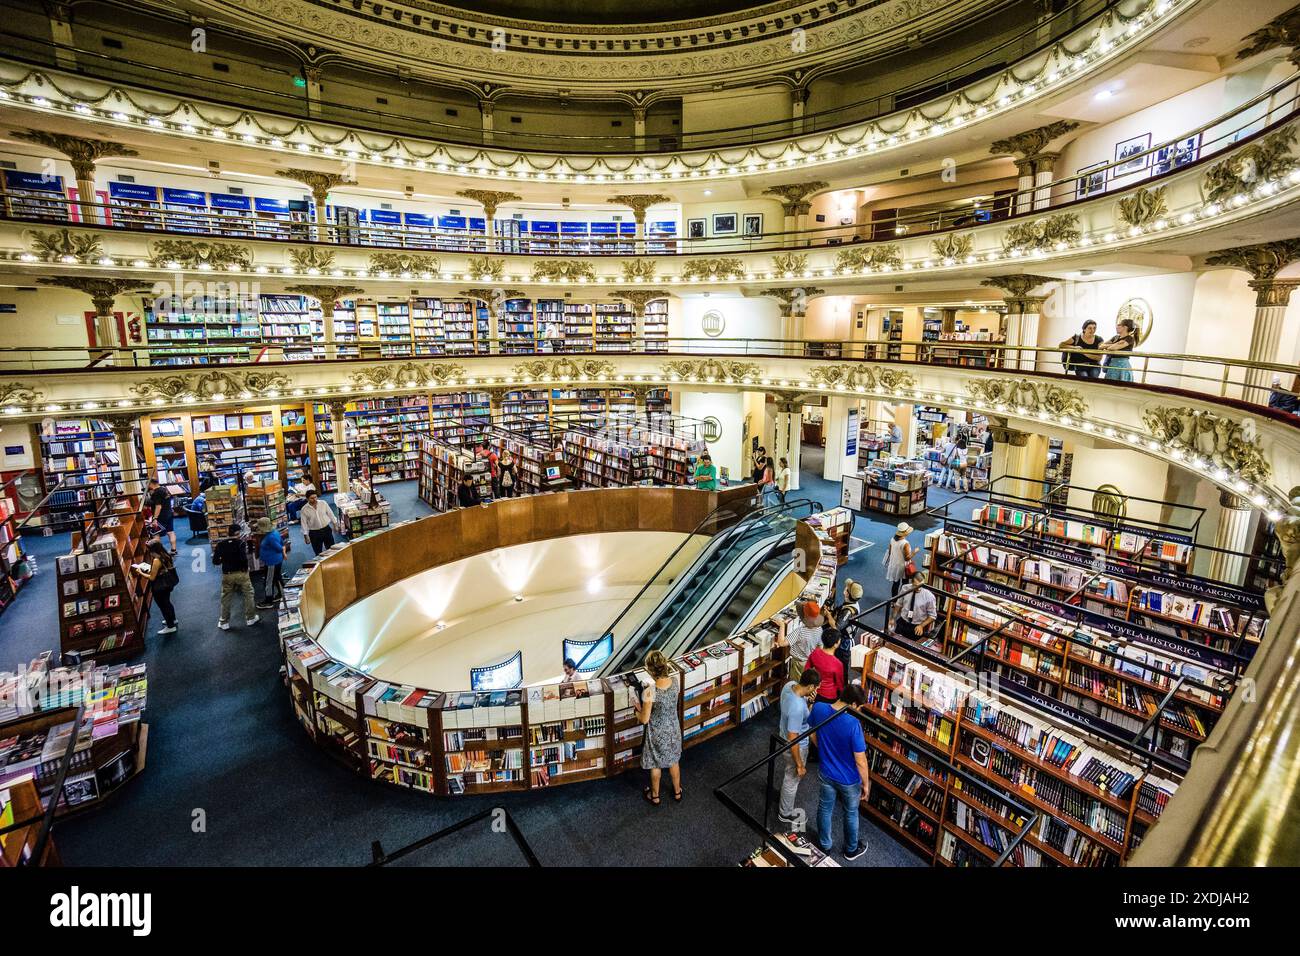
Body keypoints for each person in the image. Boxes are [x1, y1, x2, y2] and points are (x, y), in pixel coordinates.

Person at [809, 684, 870, 860]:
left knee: (825, 808)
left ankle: (824, 845)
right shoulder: (853, 724)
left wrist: (822, 750)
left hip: (826, 771)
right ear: (852, 704)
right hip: (849, 779)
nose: (859, 711)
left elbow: (812, 733)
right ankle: (851, 850)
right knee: (851, 813)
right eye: (859, 707)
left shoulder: (819, 707)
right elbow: (860, 760)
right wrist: (866, 784)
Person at [635, 650, 683, 805]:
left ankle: (655, 796)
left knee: (656, 764)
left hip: (657, 732)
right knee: (674, 761)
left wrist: (637, 711)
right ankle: (677, 792)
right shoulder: (676, 681)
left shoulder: (650, 692)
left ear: (650, 670)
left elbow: (644, 719)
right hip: (674, 729)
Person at [777, 666, 822, 825]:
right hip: (797, 746)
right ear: (810, 687)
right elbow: (793, 738)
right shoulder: (796, 707)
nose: (816, 690)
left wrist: (809, 702)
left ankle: (784, 803)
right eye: (816, 687)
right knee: (792, 778)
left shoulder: (789, 686)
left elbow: (805, 717)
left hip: (782, 735)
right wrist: (800, 765)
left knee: (788, 775)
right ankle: (786, 813)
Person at [213, 524, 259, 631]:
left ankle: (224, 622)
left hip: (227, 574)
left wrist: (224, 561)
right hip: (241, 573)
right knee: (248, 594)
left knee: (226, 597)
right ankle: (250, 618)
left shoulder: (220, 545)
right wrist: (245, 568)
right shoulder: (241, 543)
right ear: (238, 533)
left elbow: (215, 561)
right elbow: (243, 558)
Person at [132, 538, 179, 635]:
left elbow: (152, 577)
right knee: (167, 603)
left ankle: (170, 626)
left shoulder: (157, 560)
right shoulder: (166, 554)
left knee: (163, 605)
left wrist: (140, 572)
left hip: (160, 586)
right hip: (167, 584)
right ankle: (172, 620)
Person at [785, 600, 824, 683]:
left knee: (796, 683)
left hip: (798, 663)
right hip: (809, 662)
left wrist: (781, 625)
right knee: (806, 682)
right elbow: (820, 647)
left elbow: (782, 642)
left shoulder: (800, 631)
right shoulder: (819, 629)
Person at [894, 569, 937, 641]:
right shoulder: (905, 588)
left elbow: (933, 616)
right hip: (902, 622)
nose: (919, 588)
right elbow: (898, 604)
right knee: (894, 643)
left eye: (921, 585)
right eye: (916, 586)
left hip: (916, 627)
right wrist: (892, 618)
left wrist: (921, 626)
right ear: (912, 583)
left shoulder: (929, 596)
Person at [255, 516, 287, 609]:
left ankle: (269, 601)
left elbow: (279, 548)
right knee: (277, 577)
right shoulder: (275, 532)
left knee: (268, 581)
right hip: (276, 560)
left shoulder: (270, 537)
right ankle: (281, 593)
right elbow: (282, 543)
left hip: (272, 562)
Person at [808, 629, 845, 705]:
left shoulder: (815, 652)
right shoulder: (837, 664)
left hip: (814, 691)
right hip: (829, 696)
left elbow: (807, 670)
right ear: (835, 644)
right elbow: (840, 685)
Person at [299, 489, 340, 556]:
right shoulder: (304, 509)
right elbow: (304, 524)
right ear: (307, 499)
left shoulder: (323, 503)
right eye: (312, 498)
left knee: (332, 550)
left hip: (326, 529)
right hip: (314, 533)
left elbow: (330, 513)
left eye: (315, 497)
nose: (314, 499)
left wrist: (335, 524)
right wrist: (306, 536)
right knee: (318, 552)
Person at [883, 522, 916, 597]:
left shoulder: (892, 539)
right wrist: (915, 552)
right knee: (905, 583)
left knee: (895, 583)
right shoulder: (905, 543)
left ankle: (893, 601)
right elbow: (907, 558)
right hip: (903, 566)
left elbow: (890, 552)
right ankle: (902, 599)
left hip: (894, 564)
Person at [146, 478, 177, 556]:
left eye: (148, 484)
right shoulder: (164, 489)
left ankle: (160, 554)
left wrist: (155, 518)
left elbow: (158, 506)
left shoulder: (156, 493)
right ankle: (174, 550)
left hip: (161, 516)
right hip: (169, 514)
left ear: (151, 484)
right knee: (170, 532)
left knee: (156, 534)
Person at [1101, 317, 1138, 382]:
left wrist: (1111, 346)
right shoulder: (1116, 337)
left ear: (1125, 327)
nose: (1117, 326)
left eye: (1119, 325)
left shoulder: (1129, 339)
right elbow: (1101, 346)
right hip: (1112, 364)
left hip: (1122, 366)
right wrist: (1117, 343)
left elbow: (1111, 348)